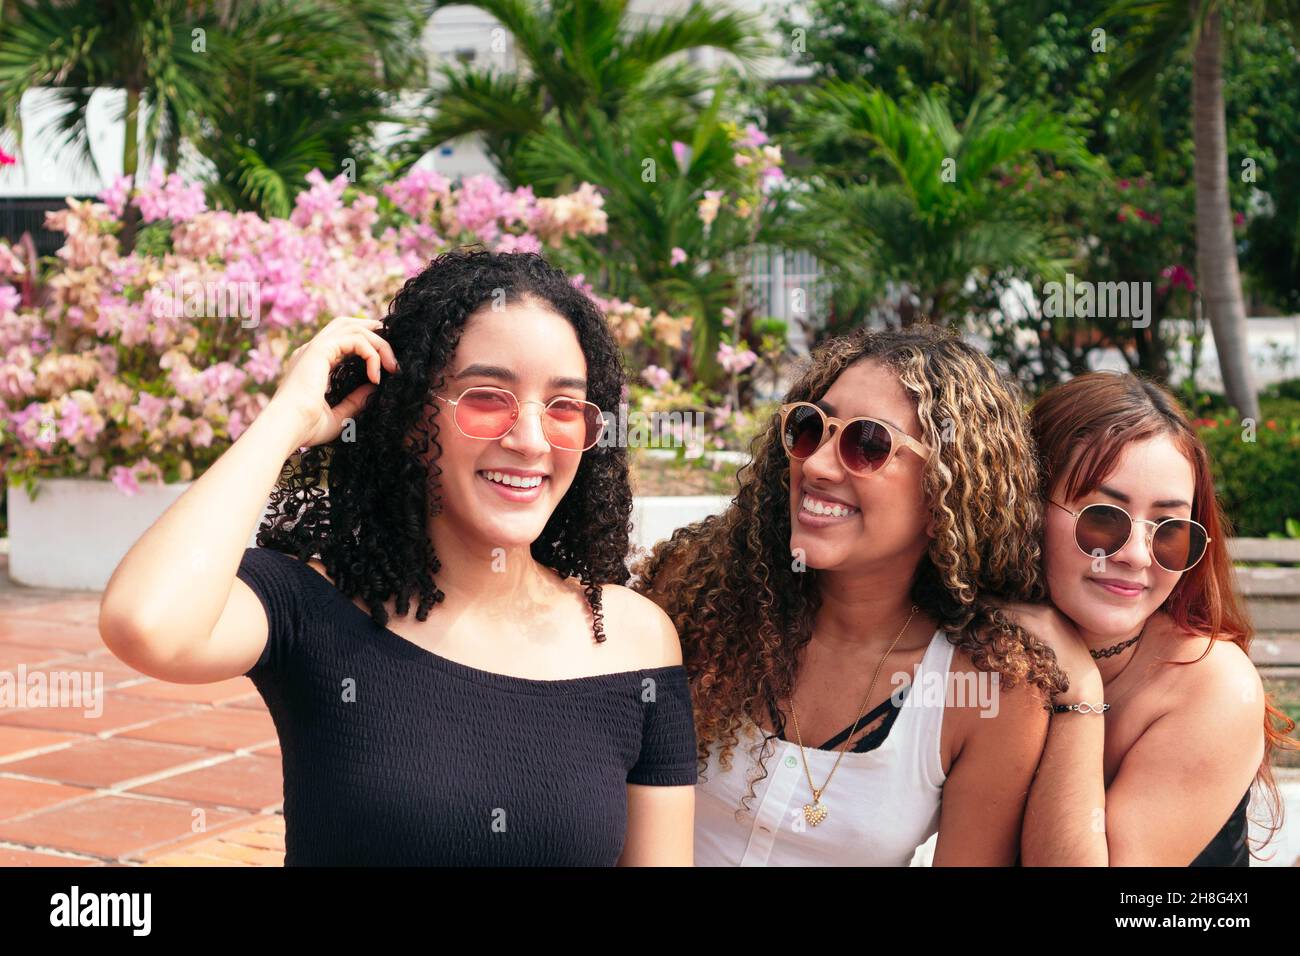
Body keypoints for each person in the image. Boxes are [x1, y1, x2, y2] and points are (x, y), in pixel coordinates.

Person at [99, 250, 697, 866]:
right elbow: (146, 622)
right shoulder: (315, 607)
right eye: (488, 397)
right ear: (413, 416)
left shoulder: (633, 640)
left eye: (564, 407)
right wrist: (287, 417)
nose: (530, 439)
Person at [635, 325, 1067, 866]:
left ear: (947, 491)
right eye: (810, 427)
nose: (815, 465)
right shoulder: (698, 597)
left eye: (868, 444)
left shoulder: (987, 691)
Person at [1012, 371, 1296, 865]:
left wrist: (1077, 689)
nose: (1138, 556)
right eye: (1103, 516)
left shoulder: (1211, 682)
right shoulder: (982, 647)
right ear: (1027, 507)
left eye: (1169, 529)